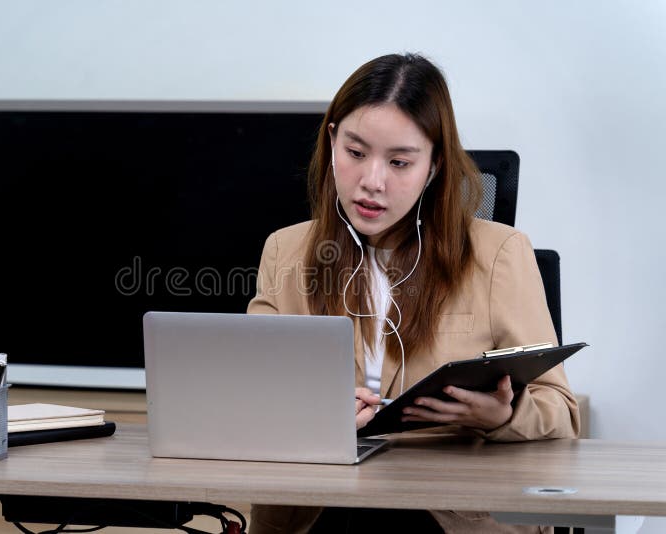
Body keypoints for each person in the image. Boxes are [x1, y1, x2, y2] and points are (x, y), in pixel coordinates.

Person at [246, 53, 580, 534]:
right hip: (317, 510)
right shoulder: (286, 251)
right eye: (355, 153)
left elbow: (561, 412)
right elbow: (250, 398)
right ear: (332, 140)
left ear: (435, 165)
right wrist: (311, 414)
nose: (372, 181)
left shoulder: (499, 255)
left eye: (400, 162)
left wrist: (502, 417)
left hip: (445, 514)